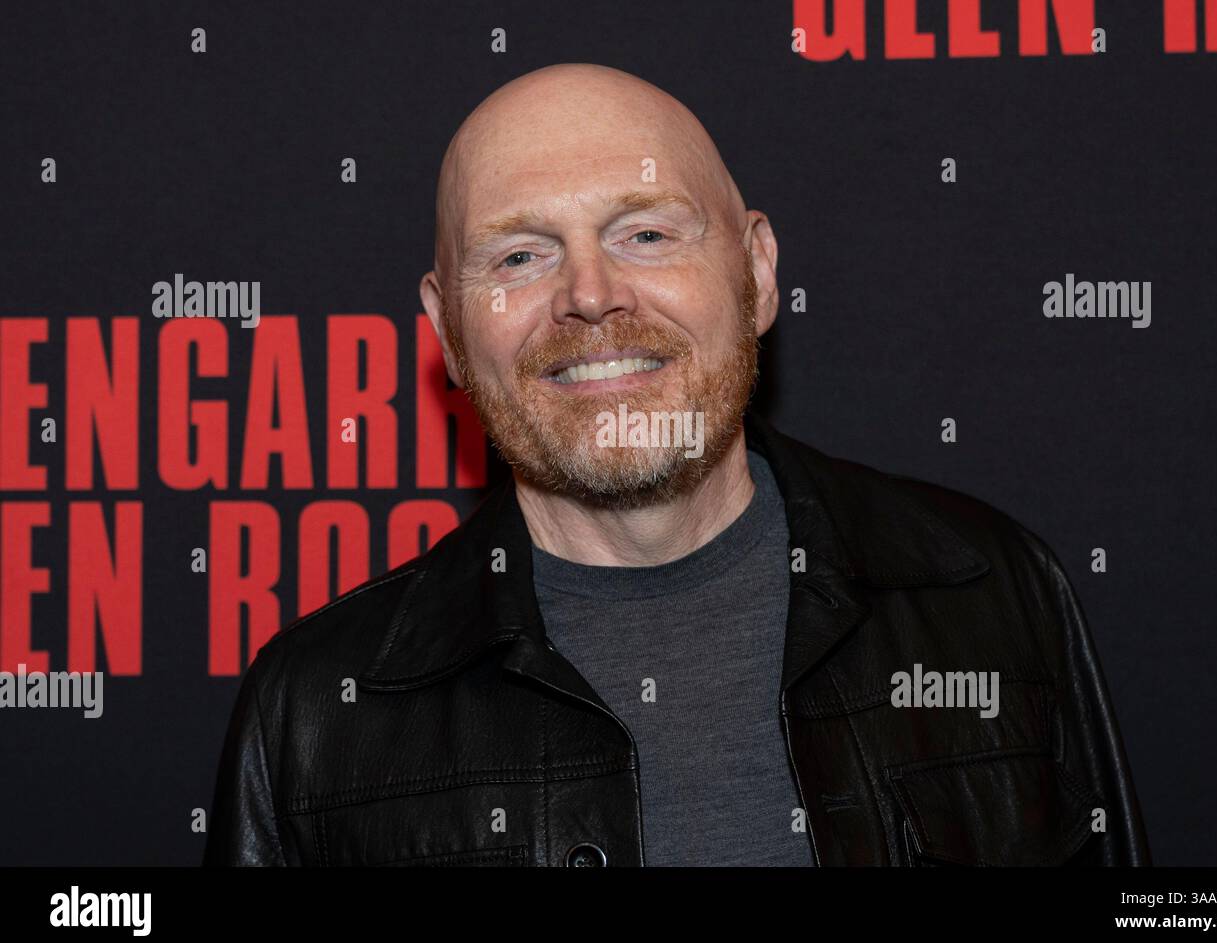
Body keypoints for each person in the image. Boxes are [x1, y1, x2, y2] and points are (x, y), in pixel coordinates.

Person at [203, 62, 1150, 867]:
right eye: (522, 255)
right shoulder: (320, 711)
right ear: (447, 329)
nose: (589, 295)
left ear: (759, 272)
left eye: (645, 233)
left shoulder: (987, 590)